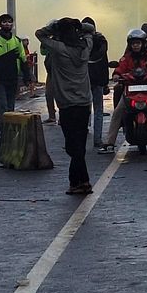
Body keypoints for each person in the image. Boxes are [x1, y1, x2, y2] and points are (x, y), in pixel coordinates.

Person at [36, 18, 95, 195]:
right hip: (84, 102)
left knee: (72, 145)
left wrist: (53, 26)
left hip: (67, 104)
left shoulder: (58, 48)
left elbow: (39, 34)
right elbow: (90, 29)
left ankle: (79, 182)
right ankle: (81, 182)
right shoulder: (86, 47)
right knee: (79, 142)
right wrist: (79, 26)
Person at [99, 28, 147, 153]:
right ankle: (109, 143)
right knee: (118, 111)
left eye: (138, 43)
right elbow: (119, 69)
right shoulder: (126, 58)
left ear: (143, 44)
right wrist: (116, 75)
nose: (135, 45)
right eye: (133, 43)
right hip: (130, 92)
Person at [0, 13, 25, 121]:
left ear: (12, 24)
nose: (7, 24)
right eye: (4, 22)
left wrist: (26, 77)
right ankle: (3, 129)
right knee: (2, 105)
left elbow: (23, 59)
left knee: (11, 106)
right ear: (0, 24)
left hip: (13, 77)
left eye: (9, 22)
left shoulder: (17, 41)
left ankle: (10, 132)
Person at [82, 18, 109, 148]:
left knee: (83, 108)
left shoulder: (79, 42)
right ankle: (97, 139)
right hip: (97, 80)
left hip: (84, 81)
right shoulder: (101, 41)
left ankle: (83, 133)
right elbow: (104, 63)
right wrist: (105, 83)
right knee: (98, 110)